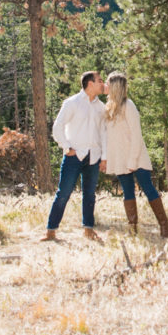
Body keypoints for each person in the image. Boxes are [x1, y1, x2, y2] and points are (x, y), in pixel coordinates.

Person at [42, 71, 107, 242]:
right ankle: (51, 230)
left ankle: (88, 229)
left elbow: (104, 133)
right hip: (74, 156)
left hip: (94, 156)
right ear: (90, 84)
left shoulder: (101, 107)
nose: (103, 84)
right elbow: (58, 126)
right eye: (100, 81)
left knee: (90, 194)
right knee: (63, 193)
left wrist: (104, 157)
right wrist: (66, 147)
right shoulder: (72, 103)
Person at [103, 71, 168, 238]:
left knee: (148, 188)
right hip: (120, 158)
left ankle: (164, 225)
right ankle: (132, 229)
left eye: (107, 83)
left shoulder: (129, 106)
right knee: (127, 191)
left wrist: (132, 160)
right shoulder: (109, 108)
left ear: (115, 86)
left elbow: (136, 135)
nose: (105, 86)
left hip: (136, 157)